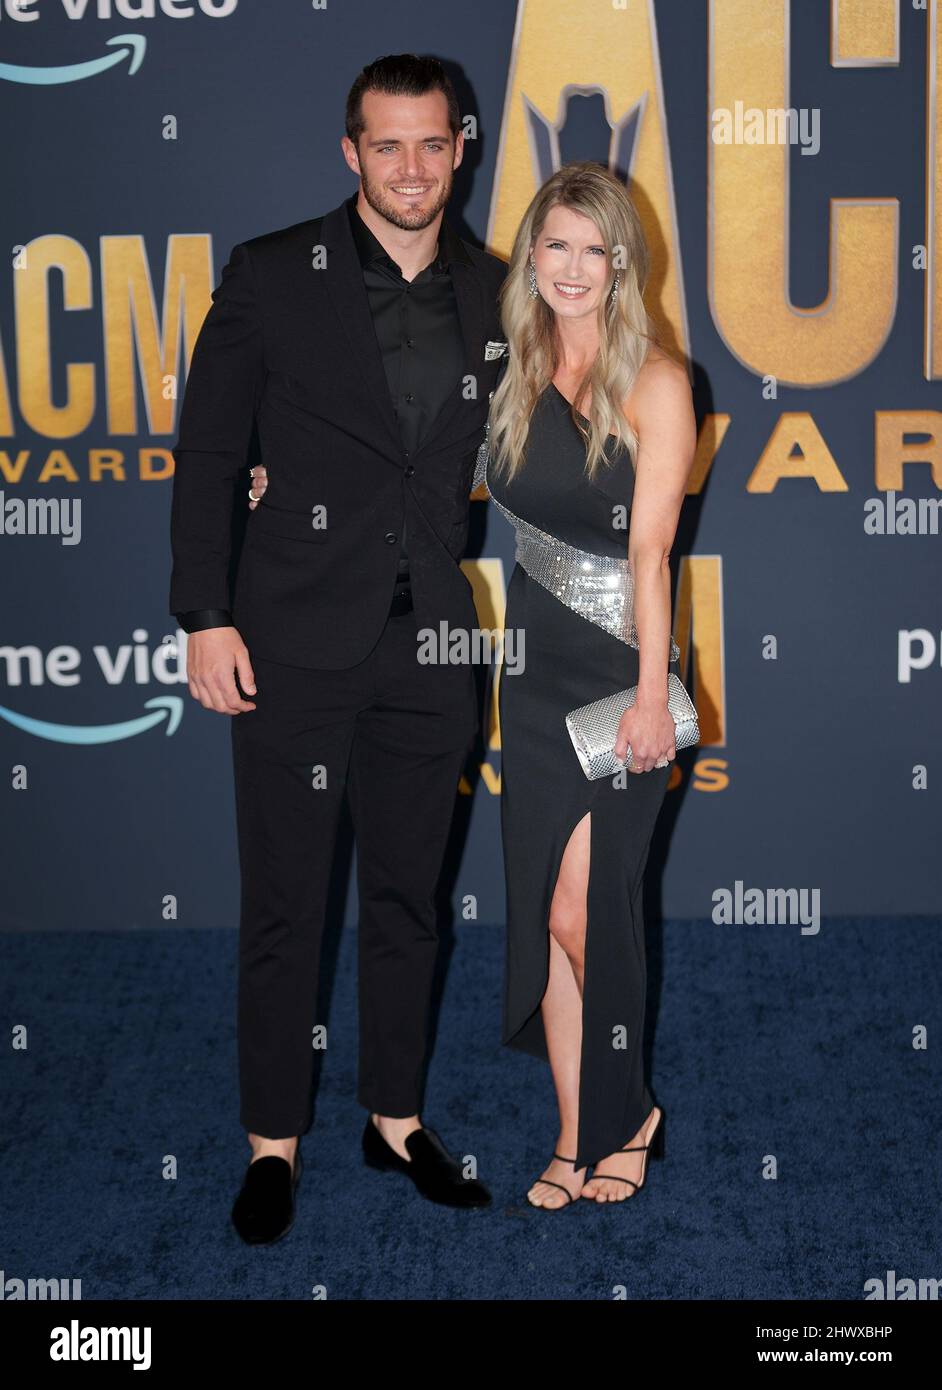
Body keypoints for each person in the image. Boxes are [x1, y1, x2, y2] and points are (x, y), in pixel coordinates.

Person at [253, 161, 697, 1210]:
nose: (574, 268)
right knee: (546, 914)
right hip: (533, 668)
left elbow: (652, 557)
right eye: (556, 245)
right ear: (531, 256)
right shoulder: (511, 364)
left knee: (597, 916)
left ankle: (627, 1113)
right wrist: (288, 483)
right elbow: (408, 461)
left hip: (622, 665)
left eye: (596, 249)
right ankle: (571, 1129)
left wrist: (649, 696)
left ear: (623, 262)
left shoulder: (660, 380)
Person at [169, 53, 507, 1243]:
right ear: (349, 151)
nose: (411, 168)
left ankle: (395, 1116)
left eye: (432, 143)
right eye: (386, 145)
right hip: (292, 639)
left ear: (460, 146)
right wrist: (204, 614)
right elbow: (211, 453)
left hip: (432, 648)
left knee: (412, 898)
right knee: (285, 903)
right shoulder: (271, 275)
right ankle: (274, 1142)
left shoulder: (502, 291)